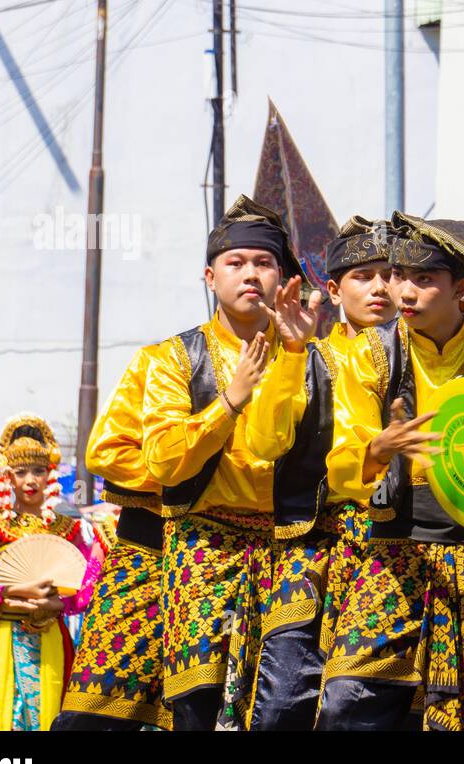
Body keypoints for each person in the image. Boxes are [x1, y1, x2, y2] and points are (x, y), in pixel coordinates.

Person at [319, 212, 464, 731]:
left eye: (423, 279)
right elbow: (341, 460)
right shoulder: (368, 354)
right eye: (398, 276)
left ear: (460, 286)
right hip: (392, 549)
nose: (404, 292)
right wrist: (379, 447)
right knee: (348, 698)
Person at [141, 195, 298, 730]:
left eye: (264, 263)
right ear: (210, 276)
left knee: (280, 700)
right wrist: (229, 401)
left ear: (282, 275)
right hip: (203, 544)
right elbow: (163, 461)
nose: (250, 274)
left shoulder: (309, 353)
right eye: (236, 263)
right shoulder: (173, 357)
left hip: (289, 547)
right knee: (198, 701)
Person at [241, 216, 394, 729]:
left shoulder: (419, 363)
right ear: (332, 290)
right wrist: (289, 353)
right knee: (282, 703)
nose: (379, 287)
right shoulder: (306, 356)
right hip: (312, 549)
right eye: (362, 275)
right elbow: (264, 442)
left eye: (390, 274)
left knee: (363, 707)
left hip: (397, 552)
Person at [0, 415, 104, 731]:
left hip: (50, 634)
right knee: (1, 717)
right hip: (2, 635)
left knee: (46, 717)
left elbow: (89, 588)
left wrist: (59, 605)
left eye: (38, 471)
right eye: (21, 472)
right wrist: (7, 592)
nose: (30, 480)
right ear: (8, 478)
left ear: (50, 475)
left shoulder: (68, 529)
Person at [52, 344, 174, 731]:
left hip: (237, 562)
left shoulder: (298, 363)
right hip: (144, 561)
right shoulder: (163, 361)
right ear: (209, 278)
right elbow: (105, 452)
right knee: (89, 715)